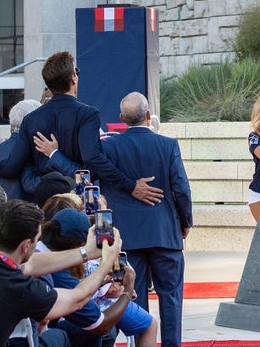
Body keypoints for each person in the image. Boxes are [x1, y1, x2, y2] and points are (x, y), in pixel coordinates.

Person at [0, 51, 163, 207]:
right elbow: (93, 163)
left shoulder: (31, 120)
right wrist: (131, 186)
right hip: (79, 203)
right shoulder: (87, 115)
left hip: (45, 205)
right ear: (73, 79)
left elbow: (12, 166)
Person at [0, 199, 121, 347]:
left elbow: (30, 264)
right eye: (37, 241)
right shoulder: (21, 290)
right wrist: (105, 263)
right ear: (26, 245)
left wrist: (86, 253)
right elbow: (78, 298)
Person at [99, 93, 192, 347]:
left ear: (121, 119)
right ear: (149, 116)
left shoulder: (108, 148)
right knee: (171, 297)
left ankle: (141, 343)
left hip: (128, 235)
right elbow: (181, 189)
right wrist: (185, 222)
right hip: (165, 232)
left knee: (133, 296)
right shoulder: (168, 145)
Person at [38, 209, 153, 347]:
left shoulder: (38, 255)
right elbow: (100, 326)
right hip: (32, 338)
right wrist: (127, 289)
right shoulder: (56, 272)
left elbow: (78, 294)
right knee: (90, 330)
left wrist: (100, 279)